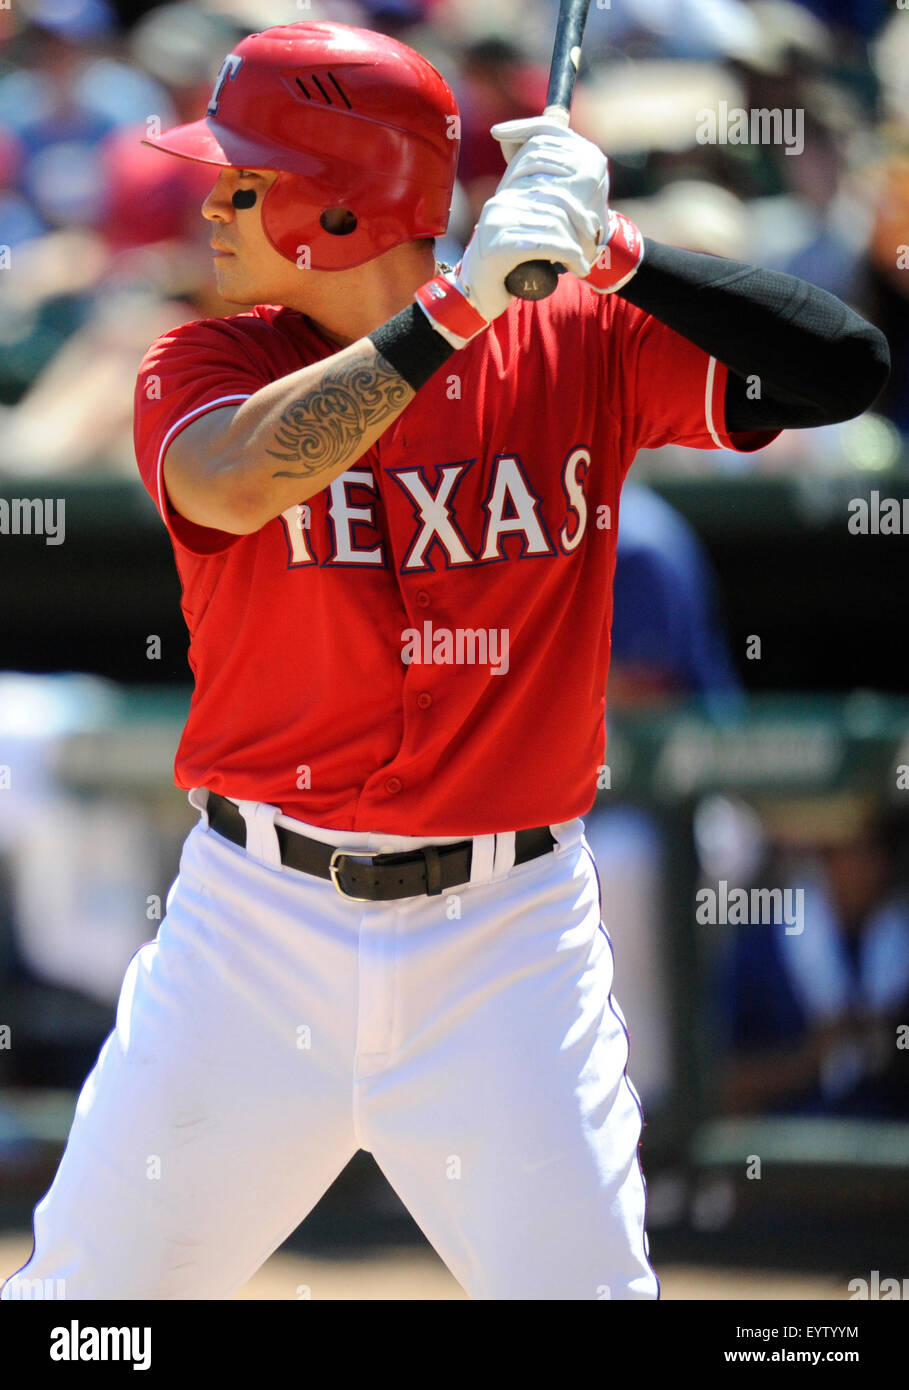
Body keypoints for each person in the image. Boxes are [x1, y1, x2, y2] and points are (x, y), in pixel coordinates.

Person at [1, 21, 889, 1301]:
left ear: (344, 204)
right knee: (85, 1319)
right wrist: (458, 302)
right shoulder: (206, 359)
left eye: (245, 175)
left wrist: (621, 252)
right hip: (253, 928)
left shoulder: (577, 337)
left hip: (510, 939)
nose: (213, 199)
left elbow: (840, 370)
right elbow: (244, 477)